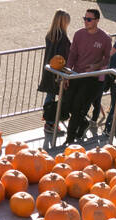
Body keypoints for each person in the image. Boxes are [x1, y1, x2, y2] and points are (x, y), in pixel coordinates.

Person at [64, 9, 114, 144]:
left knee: (77, 108)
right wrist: (67, 73)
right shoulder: (79, 34)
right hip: (76, 75)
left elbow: (108, 58)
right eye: (85, 18)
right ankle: (84, 123)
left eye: (89, 19)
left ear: (97, 21)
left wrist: (96, 66)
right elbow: (72, 54)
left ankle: (69, 139)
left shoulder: (104, 38)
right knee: (66, 105)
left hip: (92, 78)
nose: (86, 21)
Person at [39, 10, 73, 138]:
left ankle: (48, 120)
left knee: (50, 96)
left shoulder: (51, 35)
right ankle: (51, 122)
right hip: (58, 72)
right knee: (56, 98)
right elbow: (63, 56)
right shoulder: (62, 38)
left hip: (49, 70)